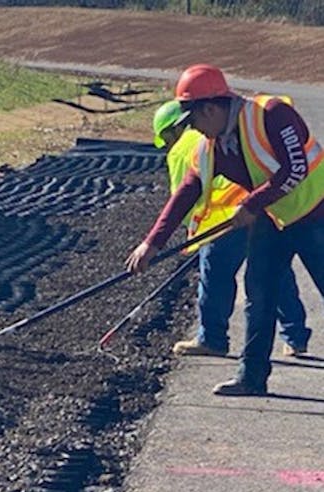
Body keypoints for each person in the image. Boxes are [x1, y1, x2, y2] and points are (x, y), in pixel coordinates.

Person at [127, 64, 324, 396]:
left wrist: (251, 204)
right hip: (274, 219)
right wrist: (152, 243)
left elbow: (296, 168)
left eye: (192, 120)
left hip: (316, 213)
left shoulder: (271, 114)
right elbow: (187, 191)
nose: (193, 129)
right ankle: (251, 378)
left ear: (210, 109)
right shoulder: (210, 146)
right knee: (259, 297)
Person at [152, 99, 311, 359]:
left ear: (174, 130)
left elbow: (185, 197)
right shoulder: (215, 133)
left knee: (214, 277)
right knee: (276, 273)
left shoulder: (183, 150)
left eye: (166, 139)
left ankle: (212, 339)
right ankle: (295, 336)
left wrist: (192, 235)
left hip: (226, 219)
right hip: (259, 208)